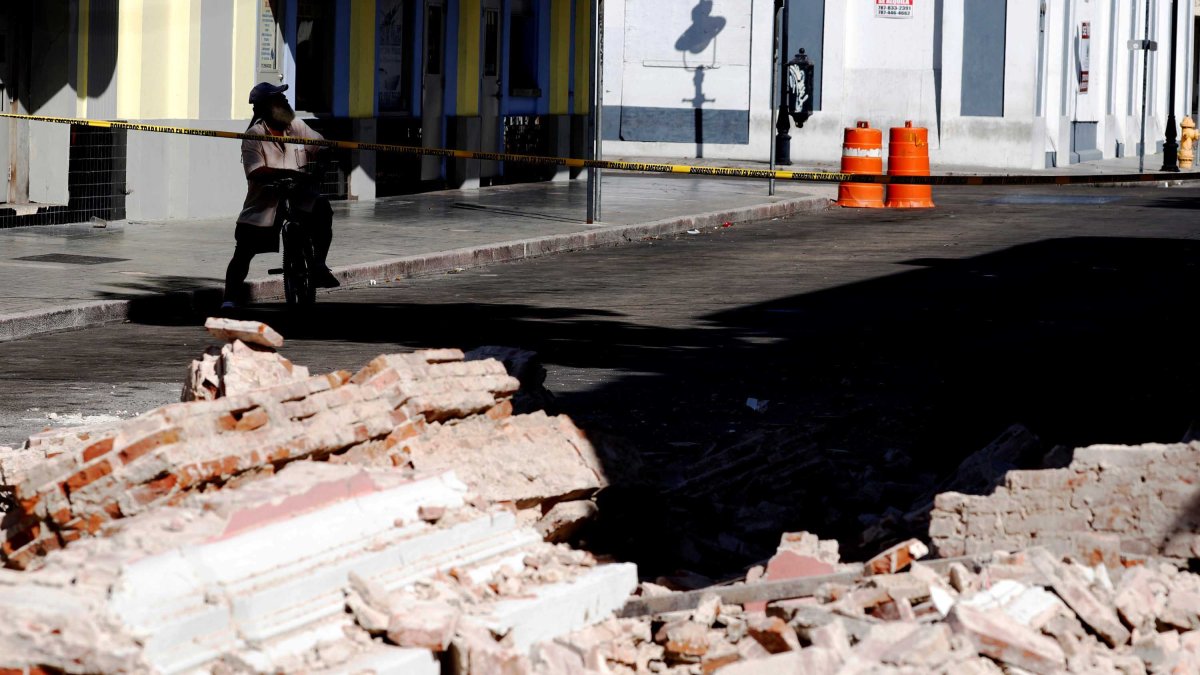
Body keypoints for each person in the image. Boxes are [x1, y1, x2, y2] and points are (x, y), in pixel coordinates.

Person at [221, 82, 339, 311]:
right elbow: (255, 171)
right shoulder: (254, 135)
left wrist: (323, 157)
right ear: (267, 107)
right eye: (280, 101)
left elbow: (321, 145)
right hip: (266, 200)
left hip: (299, 195)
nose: (286, 104)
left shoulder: (297, 126)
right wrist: (290, 174)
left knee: (322, 208)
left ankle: (319, 264)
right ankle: (229, 298)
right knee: (244, 249)